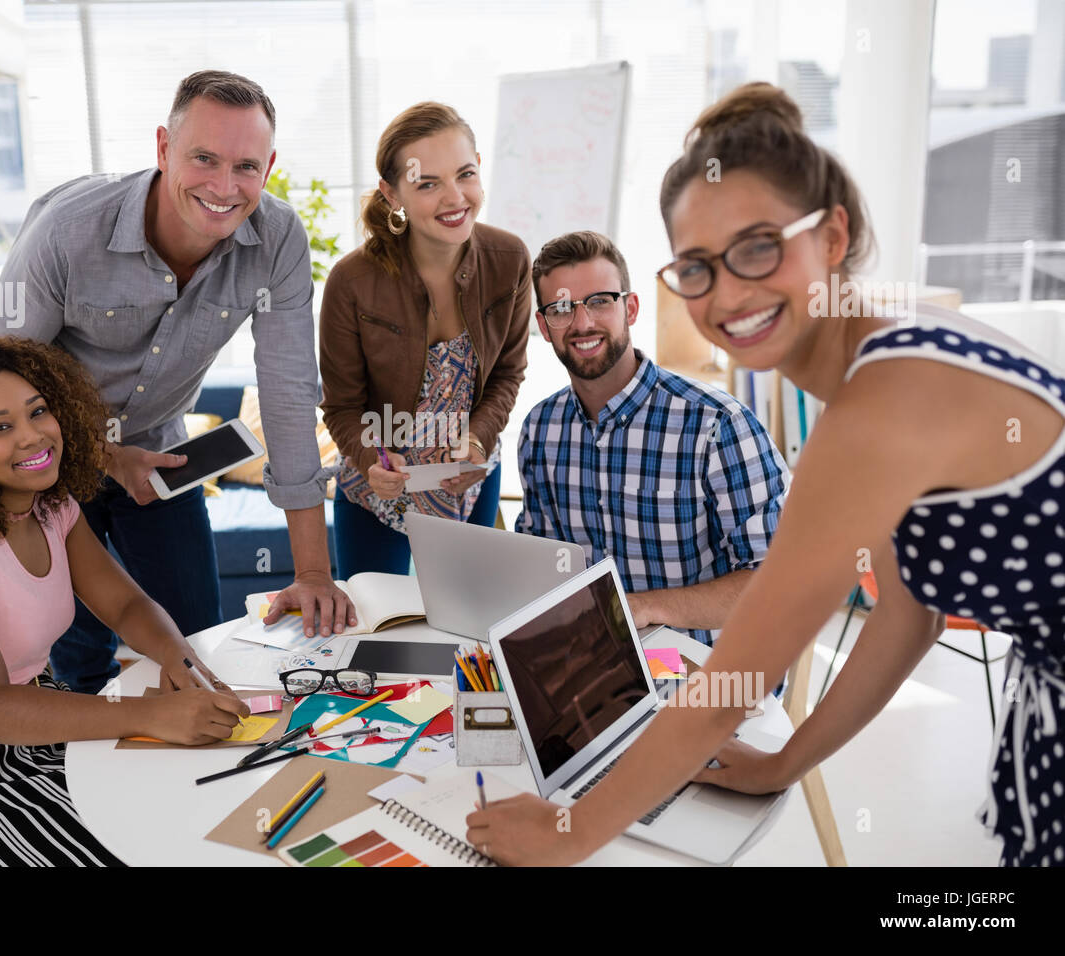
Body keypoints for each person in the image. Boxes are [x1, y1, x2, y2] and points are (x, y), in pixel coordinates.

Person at [468, 82, 1065, 868]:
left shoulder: (879, 403)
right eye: (697, 267)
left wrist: (568, 833)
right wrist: (785, 762)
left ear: (834, 234)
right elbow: (906, 617)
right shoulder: (885, 354)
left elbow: (739, 672)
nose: (729, 294)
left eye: (758, 248)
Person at [0, 70, 354, 693]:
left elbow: (289, 394)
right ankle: (85, 775)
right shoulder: (68, 232)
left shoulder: (278, 238)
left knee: (198, 643)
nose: (224, 186)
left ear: (269, 167)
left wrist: (313, 572)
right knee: (79, 658)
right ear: (162, 148)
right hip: (48, 458)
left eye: (245, 167)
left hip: (159, 450)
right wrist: (103, 456)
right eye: (203, 158)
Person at [0, 338, 250, 866]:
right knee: (141, 849)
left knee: (194, 807)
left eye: (38, 411)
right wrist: (153, 715)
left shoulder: (52, 507)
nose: (32, 436)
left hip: (35, 718)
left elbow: (126, 606)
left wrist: (179, 662)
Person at [518, 230, 788, 644]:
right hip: (592, 669)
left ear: (631, 308)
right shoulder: (540, 430)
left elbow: (776, 582)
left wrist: (644, 606)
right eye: (561, 308)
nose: (582, 322)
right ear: (544, 324)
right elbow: (542, 566)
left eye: (599, 301)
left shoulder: (718, 425)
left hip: (704, 674)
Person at [319, 102, 531, 576]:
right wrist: (371, 461)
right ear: (392, 195)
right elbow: (341, 407)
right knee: (378, 632)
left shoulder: (510, 260)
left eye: (465, 174)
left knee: (466, 625)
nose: (455, 198)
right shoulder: (351, 281)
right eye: (427, 183)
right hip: (376, 489)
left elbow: (508, 374)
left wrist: (476, 443)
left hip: (467, 477)